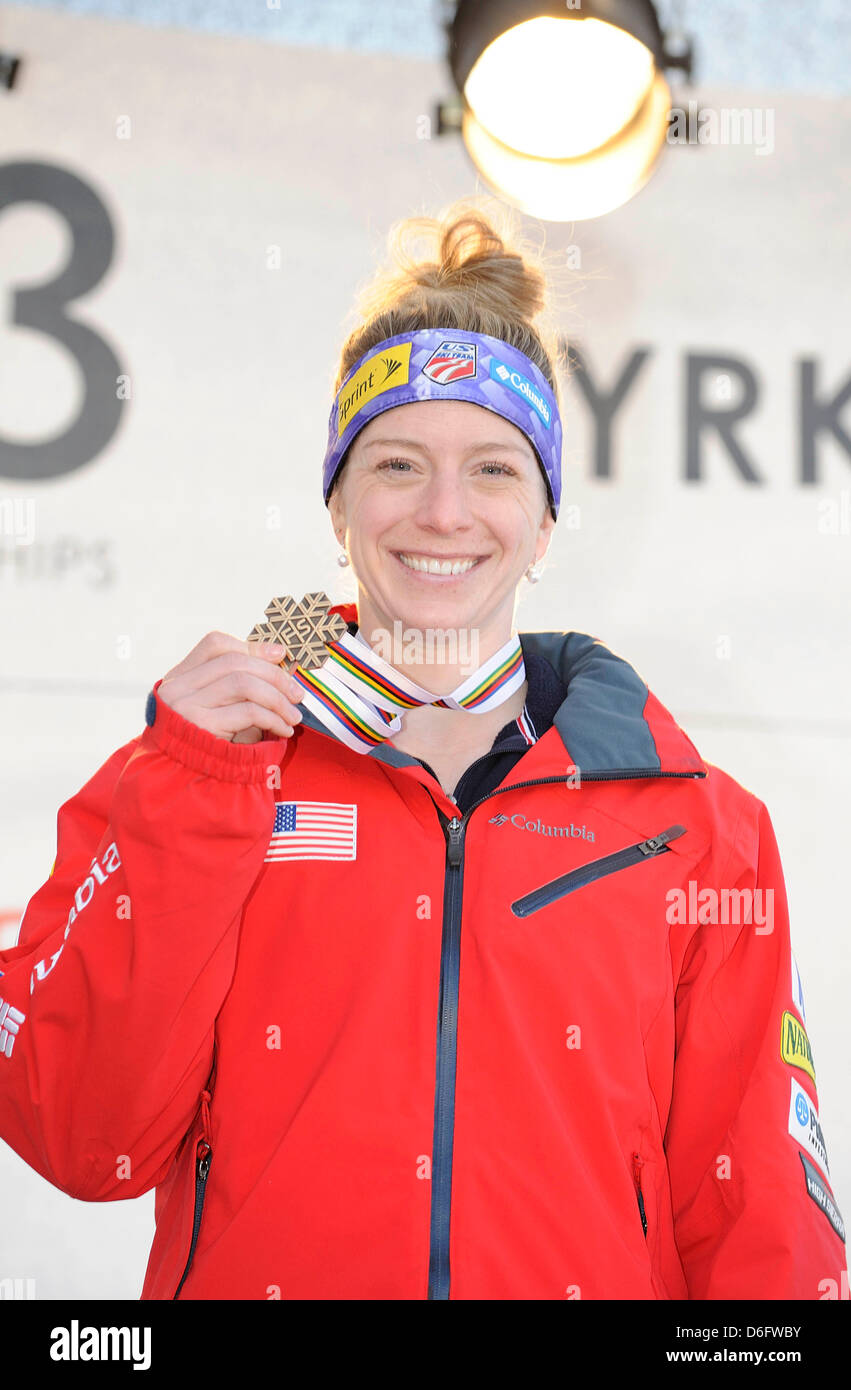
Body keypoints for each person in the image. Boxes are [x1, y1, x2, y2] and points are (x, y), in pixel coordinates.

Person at [0, 203, 845, 1301]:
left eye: (492, 470)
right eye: (397, 463)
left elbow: (761, 1227)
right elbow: (82, 1138)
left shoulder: (693, 826)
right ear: (338, 503)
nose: (443, 512)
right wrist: (185, 791)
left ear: (543, 522)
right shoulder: (208, 766)